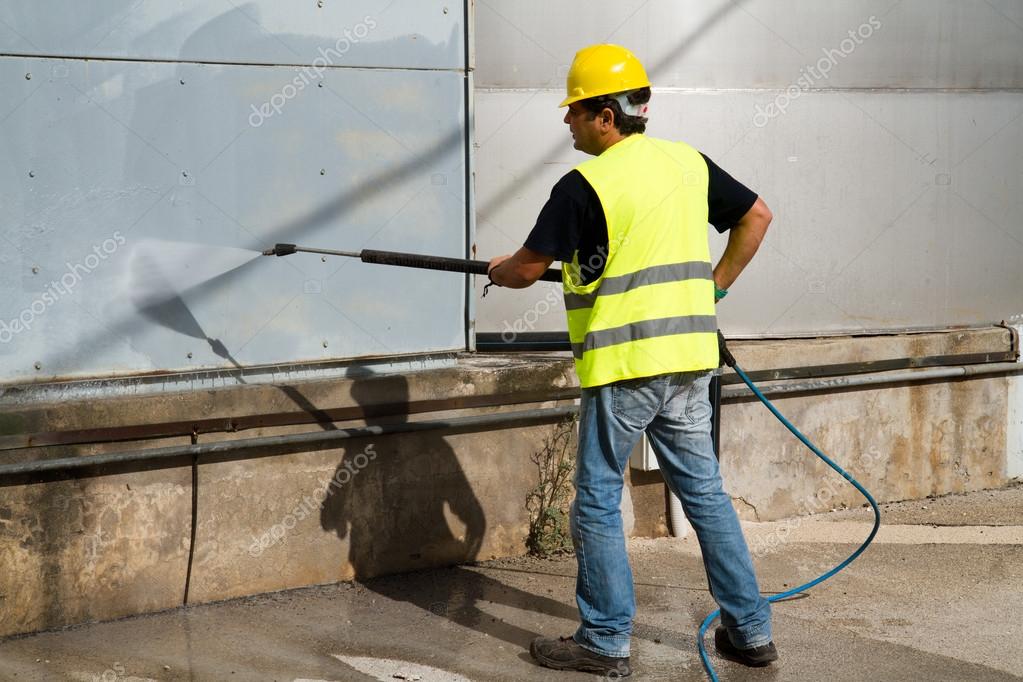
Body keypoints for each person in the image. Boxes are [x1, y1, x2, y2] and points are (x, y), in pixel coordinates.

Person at [486, 44, 776, 676]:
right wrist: (715, 289)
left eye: (575, 112)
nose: (567, 123)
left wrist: (502, 271)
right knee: (705, 494)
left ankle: (604, 639)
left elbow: (528, 267)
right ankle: (751, 631)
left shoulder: (585, 184)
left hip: (626, 366)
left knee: (594, 497)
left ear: (606, 116)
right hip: (691, 360)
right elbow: (756, 217)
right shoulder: (686, 163)